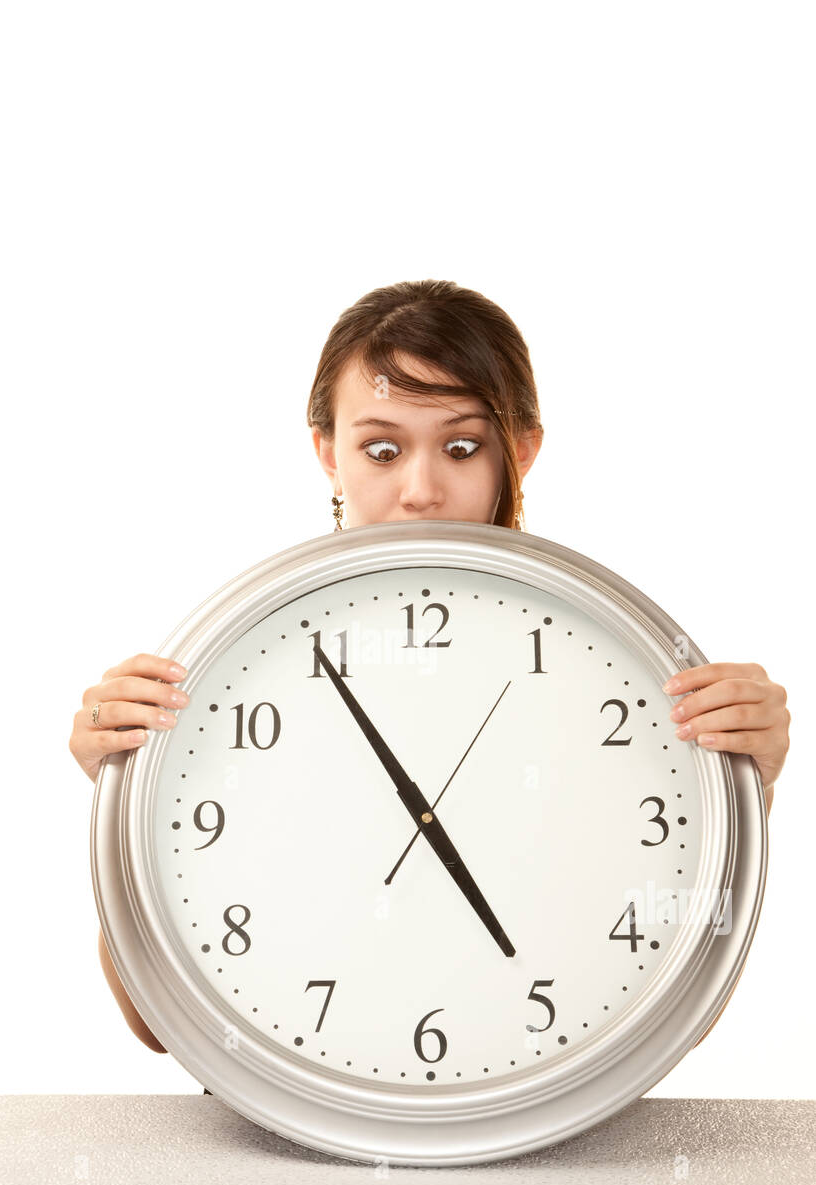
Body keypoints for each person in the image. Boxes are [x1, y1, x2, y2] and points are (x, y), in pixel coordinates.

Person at [69, 279, 791, 1059]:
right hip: (281, 1156)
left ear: (520, 450)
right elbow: (155, 1028)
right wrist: (126, 802)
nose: (420, 489)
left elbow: (668, 1025)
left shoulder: (619, 673)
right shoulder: (231, 676)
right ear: (327, 453)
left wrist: (742, 788)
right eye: (381, 449)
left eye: (461, 446)